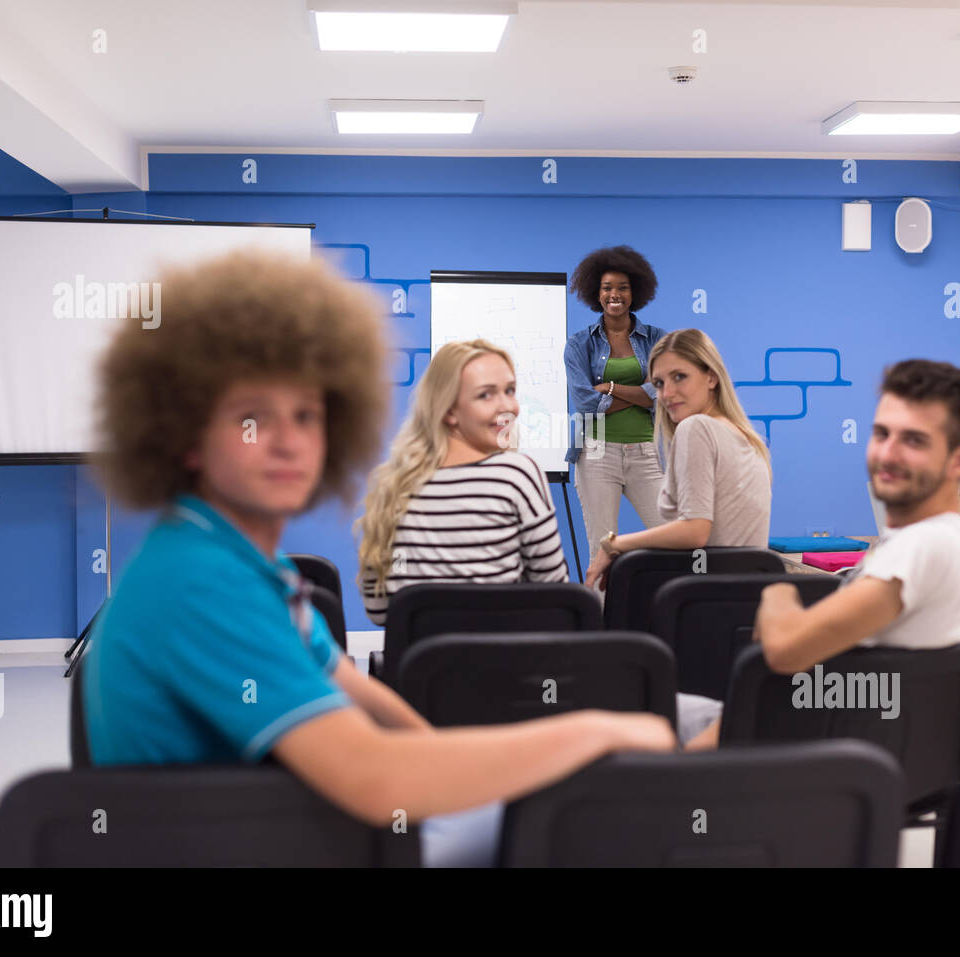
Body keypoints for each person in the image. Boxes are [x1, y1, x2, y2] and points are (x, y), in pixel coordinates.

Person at [83, 251, 676, 866]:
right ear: (181, 435)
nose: (287, 439)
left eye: (308, 414)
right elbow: (376, 780)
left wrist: (456, 758)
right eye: (251, 418)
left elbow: (372, 702)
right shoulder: (199, 582)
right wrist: (596, 730)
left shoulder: (248, 564)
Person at [685, 360, 960, 750]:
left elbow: (784, 651)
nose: (888, 454)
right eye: (882, 434)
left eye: (913, 441)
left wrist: (776, 593)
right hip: (856, 763)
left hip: (790, 763)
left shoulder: (922, 548)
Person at [357, 339, 568, 625]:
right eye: (486, 395)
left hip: (419, 665)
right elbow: (554, 595)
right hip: (507, 666)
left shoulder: (392, 486)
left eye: (510, 391)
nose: (510, 407)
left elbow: (382, 610)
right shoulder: (516, 476)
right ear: (449, 411)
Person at [584, 328, 772, 590]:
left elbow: (695, 530)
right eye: (659, 384)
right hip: (743, 604)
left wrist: (614, 544)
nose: (666, 393)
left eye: (679, 377)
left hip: (706, 604)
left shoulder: (697, 428)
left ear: (711, 378)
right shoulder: (748, 439)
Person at [564, 246, 668, 557]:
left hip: (646, 451)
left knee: (674, 537)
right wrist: (642, 394)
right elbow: (585, 404)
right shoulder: (580, 343)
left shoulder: (657, 339)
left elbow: (663, 393)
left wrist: (609, 387)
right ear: (596, 293)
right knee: (603, 549)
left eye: (623, 288)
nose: (615, 295)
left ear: (635, 292)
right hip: (596, 454)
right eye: (607, 288)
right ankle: (603, 608)